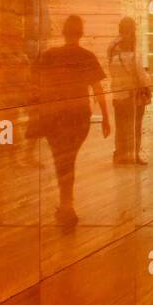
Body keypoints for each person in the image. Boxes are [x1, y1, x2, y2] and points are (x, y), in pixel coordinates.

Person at [29, 15, 110, 225]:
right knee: (68, 159)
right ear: (81, 33)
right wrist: (106, 118)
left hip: (54, 115)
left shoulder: (48, 56)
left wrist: (36, 111)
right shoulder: (87, 57)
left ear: (63, 32)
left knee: (61, 159)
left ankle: (66, 204)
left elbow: (34, 85)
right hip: (78, 116)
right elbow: (98, 90)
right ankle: (67, 204)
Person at [108, 16, 152, 165]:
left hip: (117, 93)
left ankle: (120, 154)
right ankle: (135, 154)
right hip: (133, 95)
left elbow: (110, 68)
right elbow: (141, 75)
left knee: (120, 126)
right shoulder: (134, 55)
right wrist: (148, 83)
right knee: (136, 125)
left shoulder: (111, 49)